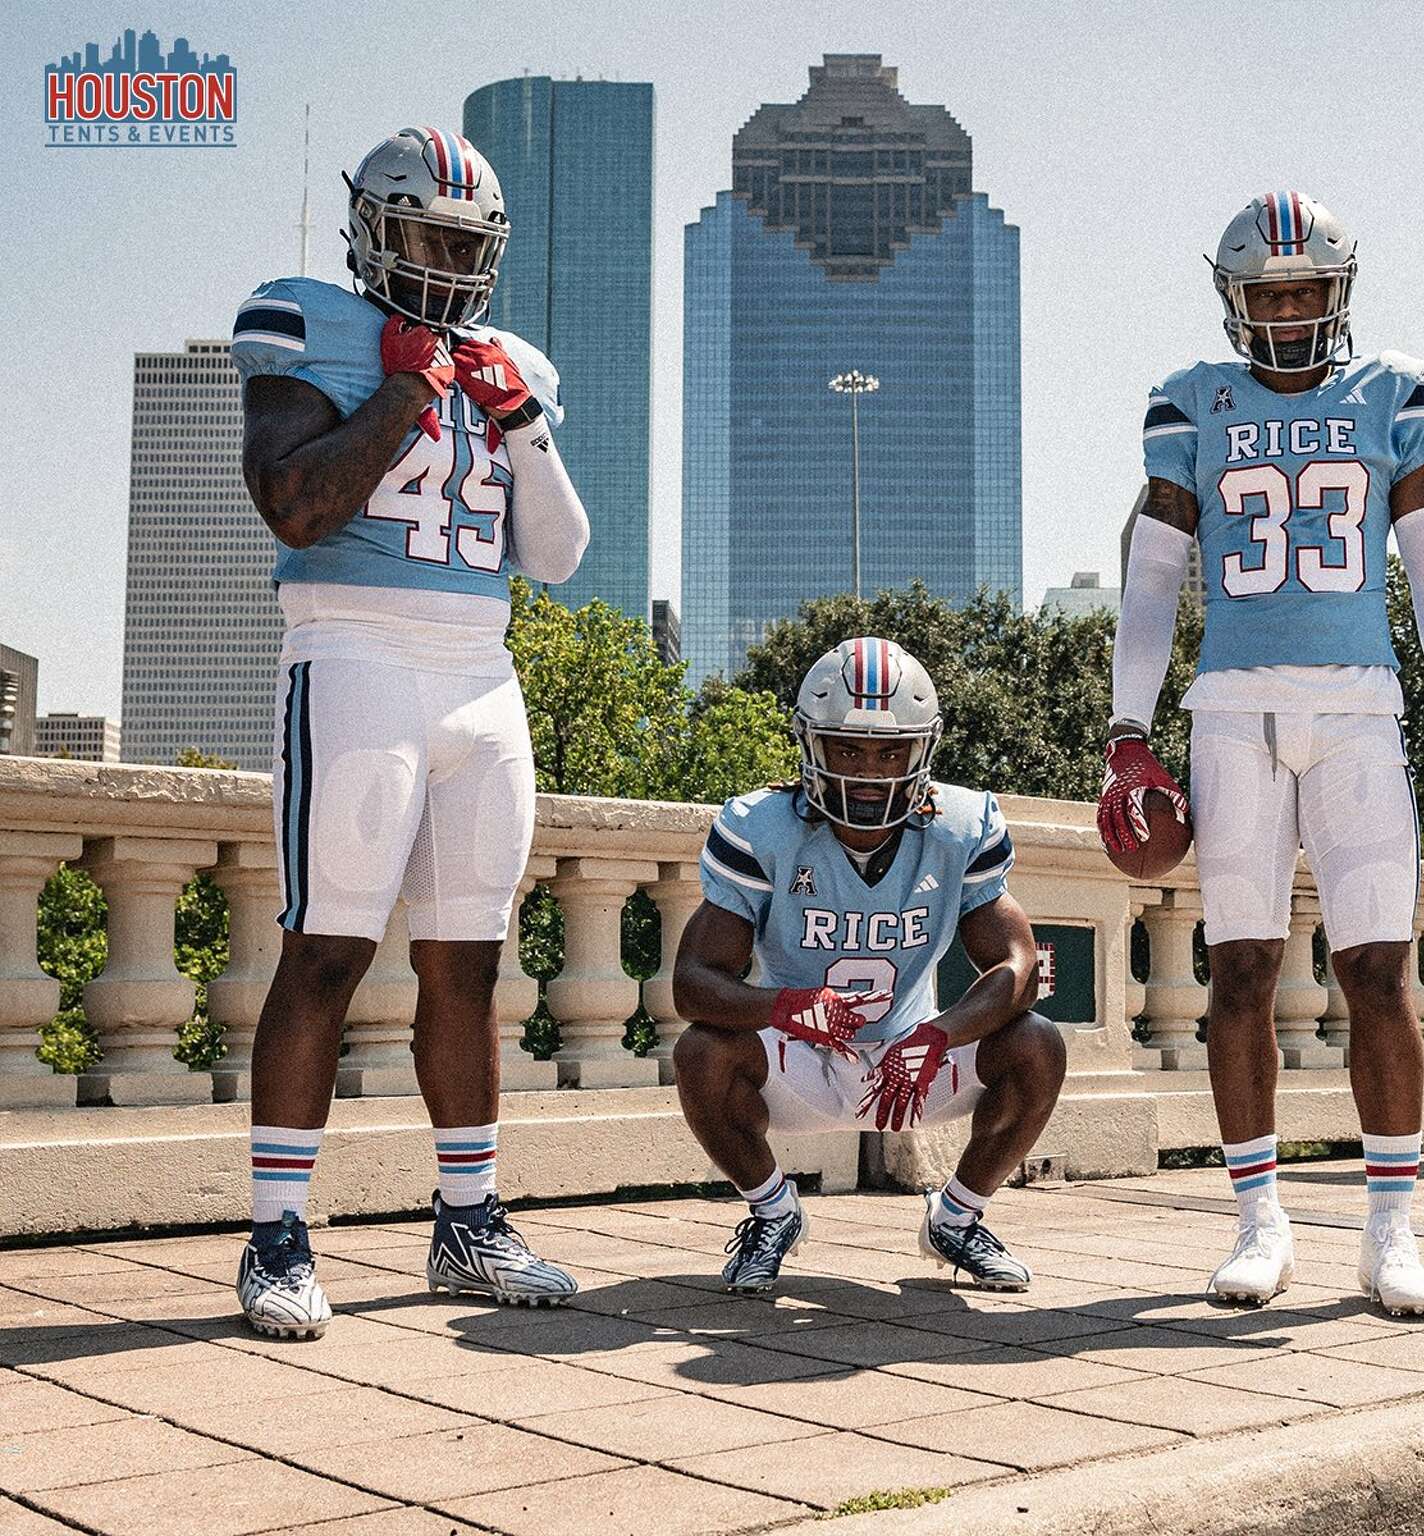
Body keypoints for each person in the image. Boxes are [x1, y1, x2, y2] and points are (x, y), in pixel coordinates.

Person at [1101, 191, 1424, 1316]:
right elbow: (1153, 578)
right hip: (1231, 711)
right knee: (1239, 972)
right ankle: (1258, 1222)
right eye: (1266, 295)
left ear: (1338, 290)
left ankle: (1391, 1231)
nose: (1285, 312)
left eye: (1304, 292)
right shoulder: (1192, 400)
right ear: (1234, 300)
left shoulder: (1392, 391)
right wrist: (1128, 734)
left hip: (1360, 709)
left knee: (1377, 971)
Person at [228, 127, 591, 1337]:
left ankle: (469, 1224)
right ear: (377, 229)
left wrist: (520, 419)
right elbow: (294, 506)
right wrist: (405, 390)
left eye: (465, 243)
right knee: (326, 949)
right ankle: (278, 1235)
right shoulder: (306, 321)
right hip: (353, 651)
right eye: (429, 237)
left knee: (469, 962)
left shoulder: (514, 360)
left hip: (481, 671)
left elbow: (558, 557)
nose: (447, 262)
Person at [672, 637, 1067, 1294]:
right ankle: (773, 1212)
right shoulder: (762, 827)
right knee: (701, 1053)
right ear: (811, 745)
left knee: (1037, 1043)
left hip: (910, 1060)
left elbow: (1019, 966)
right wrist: (787, 1008)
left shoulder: (960, 824)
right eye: (847, 750)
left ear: (921, 751)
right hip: (799, 1059)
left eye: (889, 753)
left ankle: (958, 1219)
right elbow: (692, 984)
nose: (869, 772)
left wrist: (937, 1035)